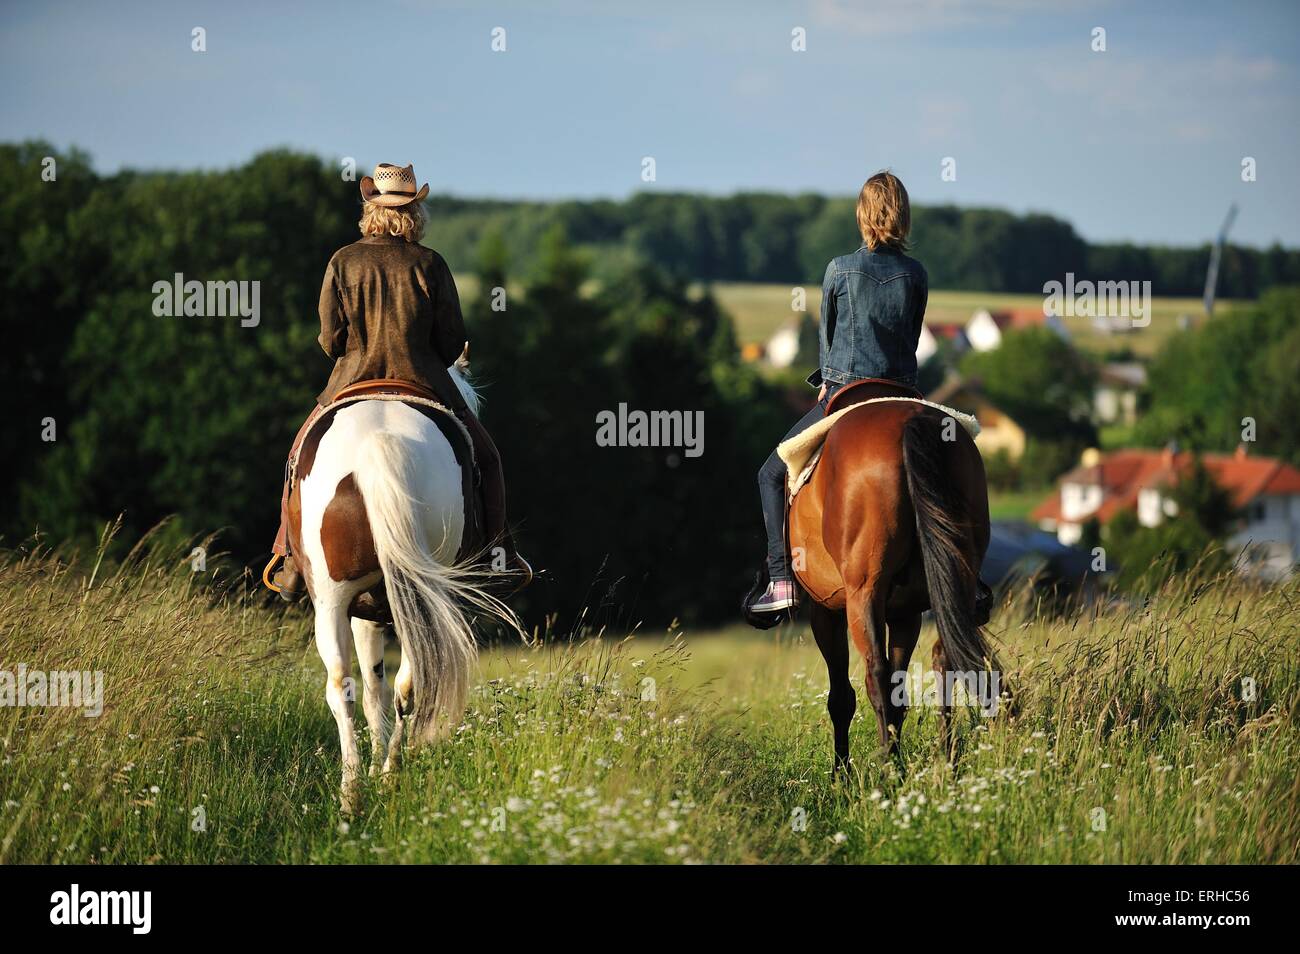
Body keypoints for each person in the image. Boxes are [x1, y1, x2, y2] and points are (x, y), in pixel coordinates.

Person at [267, 162, 529, 596]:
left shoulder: (342, 261)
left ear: (371, 210)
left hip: (350, 379)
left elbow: (331, 340)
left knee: (298, 456)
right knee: (488, 458)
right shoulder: (431, 263)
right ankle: (496, 556)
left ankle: (289, 558)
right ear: (414, 213)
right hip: (425, 382)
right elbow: (451, 343)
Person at [749, 171, 927, 614]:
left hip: (847, 393)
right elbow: (912, 337)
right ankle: (969, 577)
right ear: (903, 215)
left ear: (862, 215)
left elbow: (827, 340)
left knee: (770, 473)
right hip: (904, 397)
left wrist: (829, 386)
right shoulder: (916, 274)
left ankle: (780, 580)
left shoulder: (839, 269)